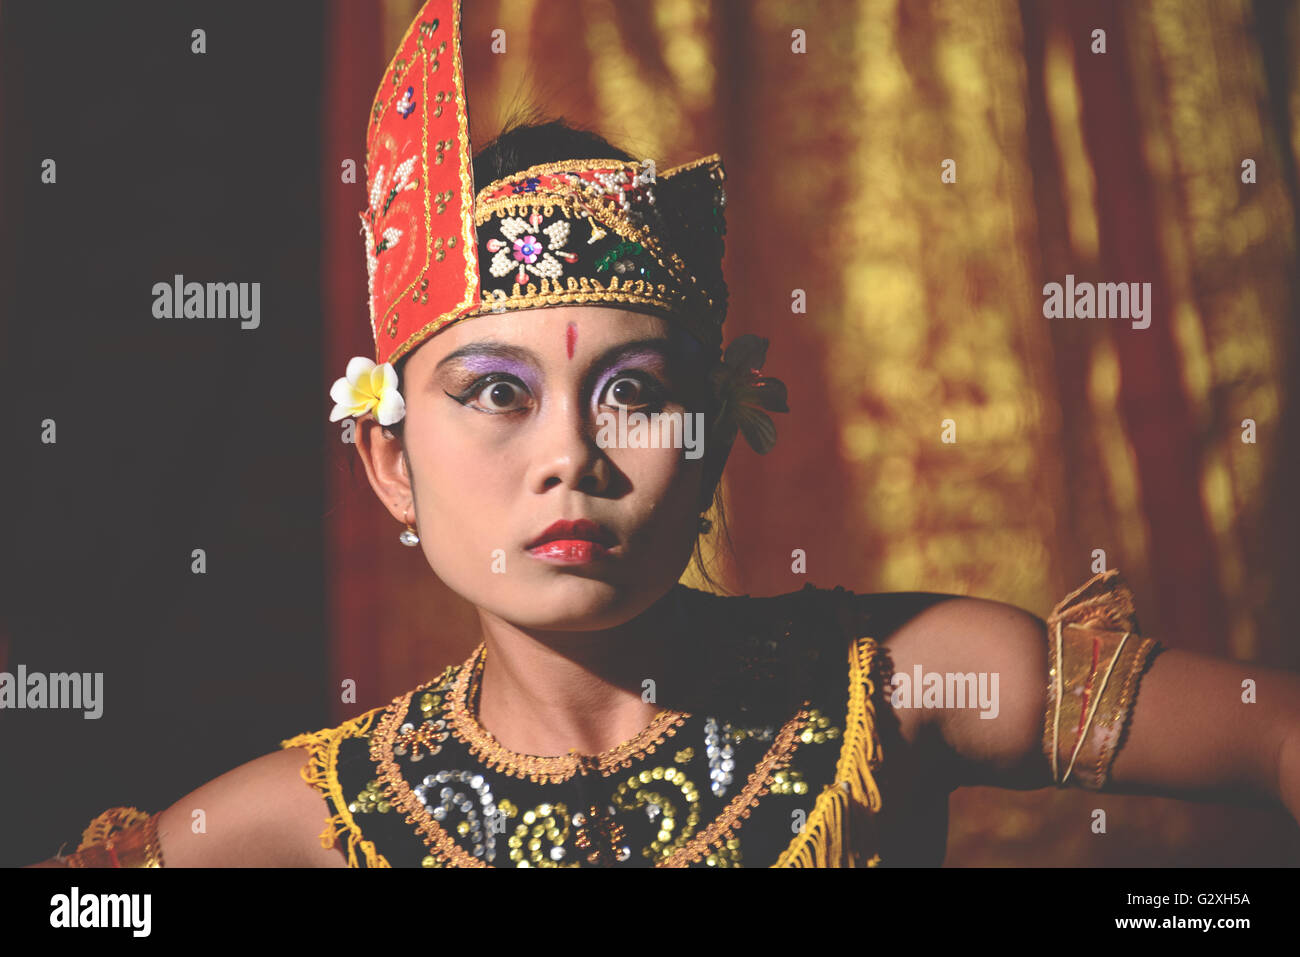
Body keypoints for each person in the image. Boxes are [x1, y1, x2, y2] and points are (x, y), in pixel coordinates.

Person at [33, 0, 1300, 869]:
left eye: (631, 394)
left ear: (711, 442)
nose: (569, 456)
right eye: (492, 392)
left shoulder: (895, 686)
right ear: (387, 462)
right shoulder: (308, 823)